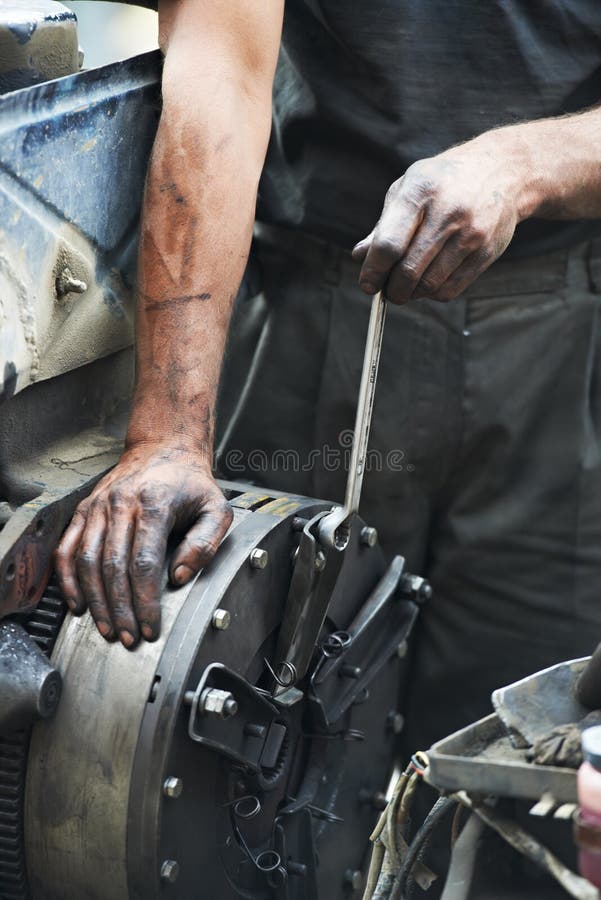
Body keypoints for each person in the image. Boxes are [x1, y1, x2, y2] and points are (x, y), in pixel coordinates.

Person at [56, 0, 601, 797]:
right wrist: (169, 435)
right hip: (306, 316)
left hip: (560, 349)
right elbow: (218, 77)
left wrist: (523, 164)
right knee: (247, 762)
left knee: (523, 765)